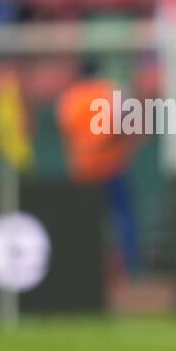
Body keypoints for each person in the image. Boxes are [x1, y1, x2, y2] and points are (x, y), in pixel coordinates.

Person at [57, 61, 144, 274]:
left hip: (84, 169)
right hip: (111, 166)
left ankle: (84, 266)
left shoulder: (70, 97)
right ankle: (132, 267)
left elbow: (66, 132)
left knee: (85, 221)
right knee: (123, 218)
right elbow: (129, 125)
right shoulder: (110, 91)